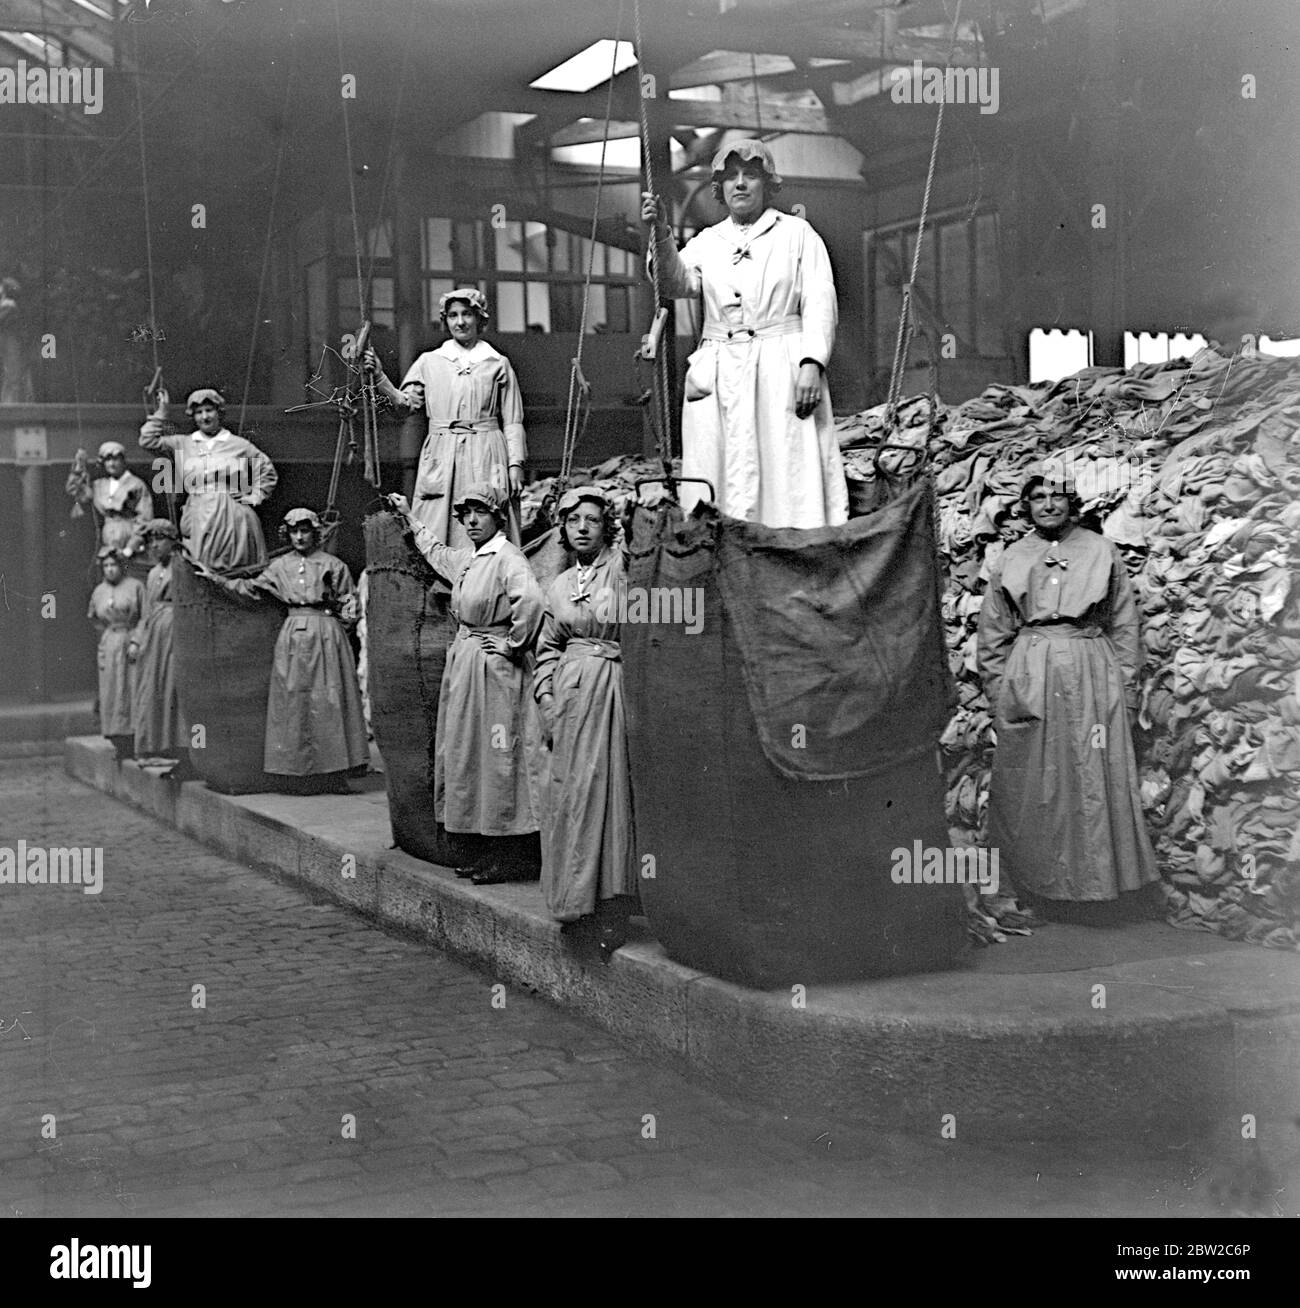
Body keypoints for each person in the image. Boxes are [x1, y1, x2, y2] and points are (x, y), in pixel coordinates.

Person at [976, 472, 1160, 918]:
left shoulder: (1101, 550)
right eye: (1038, 497)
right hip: (1032, 670)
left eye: (1057, 496)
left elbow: (1124, 624)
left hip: (1092, 669)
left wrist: (1126, 689)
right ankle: (1040, 887)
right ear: (1026, 506)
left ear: (1071, 504)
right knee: (1033, 780)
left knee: (1093, 773)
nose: (1048, 504)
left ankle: (1096, 890)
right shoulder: (1012, 557)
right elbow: (993, 633)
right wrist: (1000, 695)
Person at [640, 139, 848, 528]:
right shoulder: (709, 240)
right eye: (730, 176)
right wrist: (662, 234)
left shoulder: (797, 234)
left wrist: (812, 364)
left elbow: (820, 300)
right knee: (718, 472)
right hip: (721, 369)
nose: (740, 184)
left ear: (767, 184)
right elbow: (674, 283)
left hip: (780, 364)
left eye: (750, 175)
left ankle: (790, 548)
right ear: (719, 187)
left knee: (787, 466)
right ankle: (722, 550)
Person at [388, 482, 546, 884]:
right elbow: (435, 552)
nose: (471, 521)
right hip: (467, 667)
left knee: (499, 756)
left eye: (480, 512)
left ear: (498, 517)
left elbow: (531, 602)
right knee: (471, 754)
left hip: (497, 672)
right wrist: (409, 516)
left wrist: (512, 644)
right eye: (465, 514)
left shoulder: (507, 557)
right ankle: (485, 849)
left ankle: (512, 854)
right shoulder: (470, 559)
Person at [194, 507, 369, 794]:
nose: (299, 537)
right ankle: (297, 773)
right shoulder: (279, 567)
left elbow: (350, 603)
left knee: (329, 700)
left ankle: (334, 774)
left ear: (315, 533)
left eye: (305, 531)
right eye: (294, 531)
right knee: (293, 700)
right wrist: (215, 578)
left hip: (326, 632)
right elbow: (250, 589)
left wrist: (339, 629)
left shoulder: (333, 565)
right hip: (292, 633)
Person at [534, 486, 638, 960]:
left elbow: (638, 560)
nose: (581, 528)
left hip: (610, 689)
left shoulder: (619, 570)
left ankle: (613, 907)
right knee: (569, 797)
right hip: (567, 700)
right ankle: (576, 904)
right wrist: (547, 696)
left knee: (609, 794)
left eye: (592, 520)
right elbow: (546, 649)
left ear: (606, 527)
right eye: (573, 520)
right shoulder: (558, 586)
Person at [365, 288, 528, 549]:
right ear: (445, 320)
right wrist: (380, 377)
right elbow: (403, 406)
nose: (460, 322)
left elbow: (513, 419)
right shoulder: (429, 362)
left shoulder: (498, 363)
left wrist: (515, 464)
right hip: (441, 452)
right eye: (453, 315)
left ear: (479, 318)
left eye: (467, 314)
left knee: (488, 518)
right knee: (436, 526)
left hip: (487, 450)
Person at [139, 386, 277, 570]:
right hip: (198, 515)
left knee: (235, 572)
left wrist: (255, 496)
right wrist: (161, 413)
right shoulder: (182, 443)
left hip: (232, 517)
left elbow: (267, 470)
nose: (204, 417)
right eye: (198, 412)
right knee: (199, 570)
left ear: (219, 412)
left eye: (209, 410)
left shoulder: (239, 445)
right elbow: (147, 440)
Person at [129, 519, 187, 766]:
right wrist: (136, 640)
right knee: (151, 687)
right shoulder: (153, 573)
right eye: (150, 541)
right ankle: (154, 745)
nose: (154, 545)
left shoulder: (181, 568)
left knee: (172, 684)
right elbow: (146, 610)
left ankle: (178, 747)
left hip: (175, 629)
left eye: (159, 539)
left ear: (172, 541)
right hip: (154, 633)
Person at [88, 547, 145, 760]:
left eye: (113, 565)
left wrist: (136, 640)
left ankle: (134, 740)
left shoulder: (135, 586)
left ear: (121, 566)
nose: (110, 569)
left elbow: (145, 616)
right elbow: (94, 618)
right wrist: (106, 638)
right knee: (111, 691)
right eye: (106, 566)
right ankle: (118, 741)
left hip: (130, 641)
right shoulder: (99, 591)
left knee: (129, 689)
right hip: (109, 644)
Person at [67, 441, 154, 563]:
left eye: (116, 459)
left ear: (123, 461)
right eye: (108, 460)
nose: (112, 464)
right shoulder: (99, 485)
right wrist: (79, 467)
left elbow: (145, 518)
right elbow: (75, 490)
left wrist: (130, 547)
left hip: (130, 539)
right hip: (108, 541)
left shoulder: (136, 484)